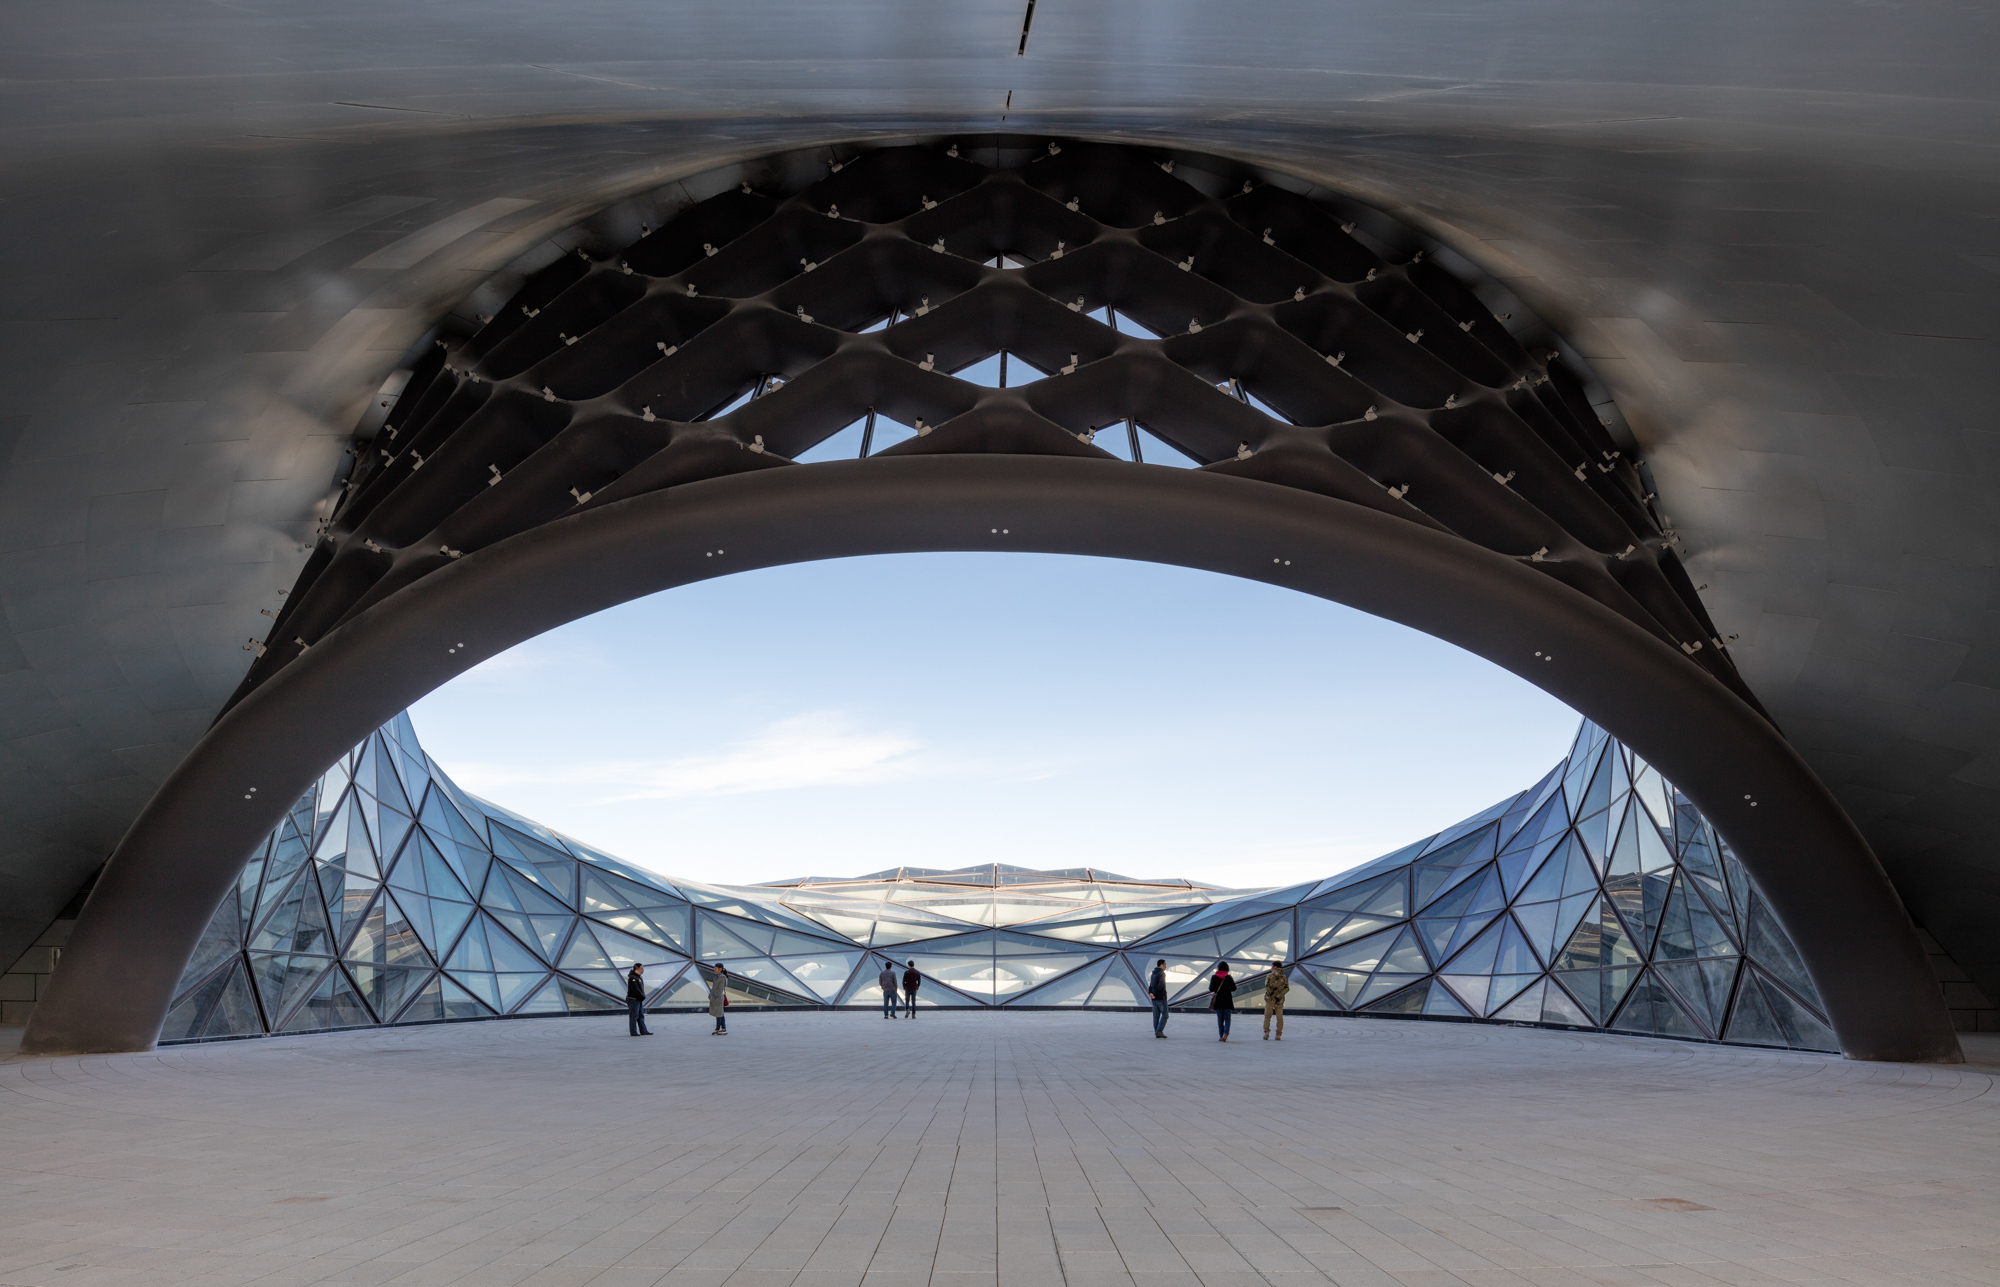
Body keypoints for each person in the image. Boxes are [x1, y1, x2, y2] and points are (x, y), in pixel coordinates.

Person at [1208, 960, 1236, 1041]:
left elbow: (1211, 989)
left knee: (1220, 1020)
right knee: (1227, 1019)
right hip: (1227, 1001)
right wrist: (1227, 989)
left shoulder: (1214, 977)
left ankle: (1221, 1036)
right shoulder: (1228, 977)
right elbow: (1234, 988)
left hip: (1218, 1002)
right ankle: (1226, 1034)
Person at [1262, 962, 1289, 1040]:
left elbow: (1267, 987)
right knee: (1279, 1018)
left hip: (1270, 999)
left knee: (1267, 1016)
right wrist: (1279, 995)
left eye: (1272, 966)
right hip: (1279, 1000)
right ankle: (1278, 1034)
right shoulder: (1284, 977)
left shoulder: (1269, 976)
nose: (1271, 968)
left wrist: (1272, 994)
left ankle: (1266, 1032)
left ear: (1275, 967)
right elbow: (1287, 988)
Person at [625, 962, 652, 1036]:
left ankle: (643, 1030)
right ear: (636, 969)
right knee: (634, 1016)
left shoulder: (639, 977)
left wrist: (642, 996)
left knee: (641, 1015)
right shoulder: (632, 978)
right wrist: (642, 996)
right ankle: (633, 1031)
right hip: (633, 999)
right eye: (641, 969)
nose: (643, 970)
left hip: (638, 999)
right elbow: (635, 989)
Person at [1148, 959, 1170, 1038]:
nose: (1165, 966)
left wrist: (1151, 993)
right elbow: (1161, 985)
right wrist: (1155, 994)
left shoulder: (1153, 973)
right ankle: (1159, 1031)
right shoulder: (1162, 973)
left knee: (1156, 1016)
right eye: (1165, 965)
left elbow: (1150, 986)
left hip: (1154, 999)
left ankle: (1157, 1031)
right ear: (1162, 965)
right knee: (1165, 1015)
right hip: (1161, 998)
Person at [708, 964, 729, 1034]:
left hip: (718, 998)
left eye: (715, 968)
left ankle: (718, 1029)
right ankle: (723, 1029)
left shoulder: (722, 978)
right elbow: (713, 988)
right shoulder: (716, 977)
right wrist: (710, 995)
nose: (714, 969)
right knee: (720, 1013)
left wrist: (713, 996)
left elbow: (720, 989)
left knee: (719, 1014)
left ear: (720, 969)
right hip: (715, 997)